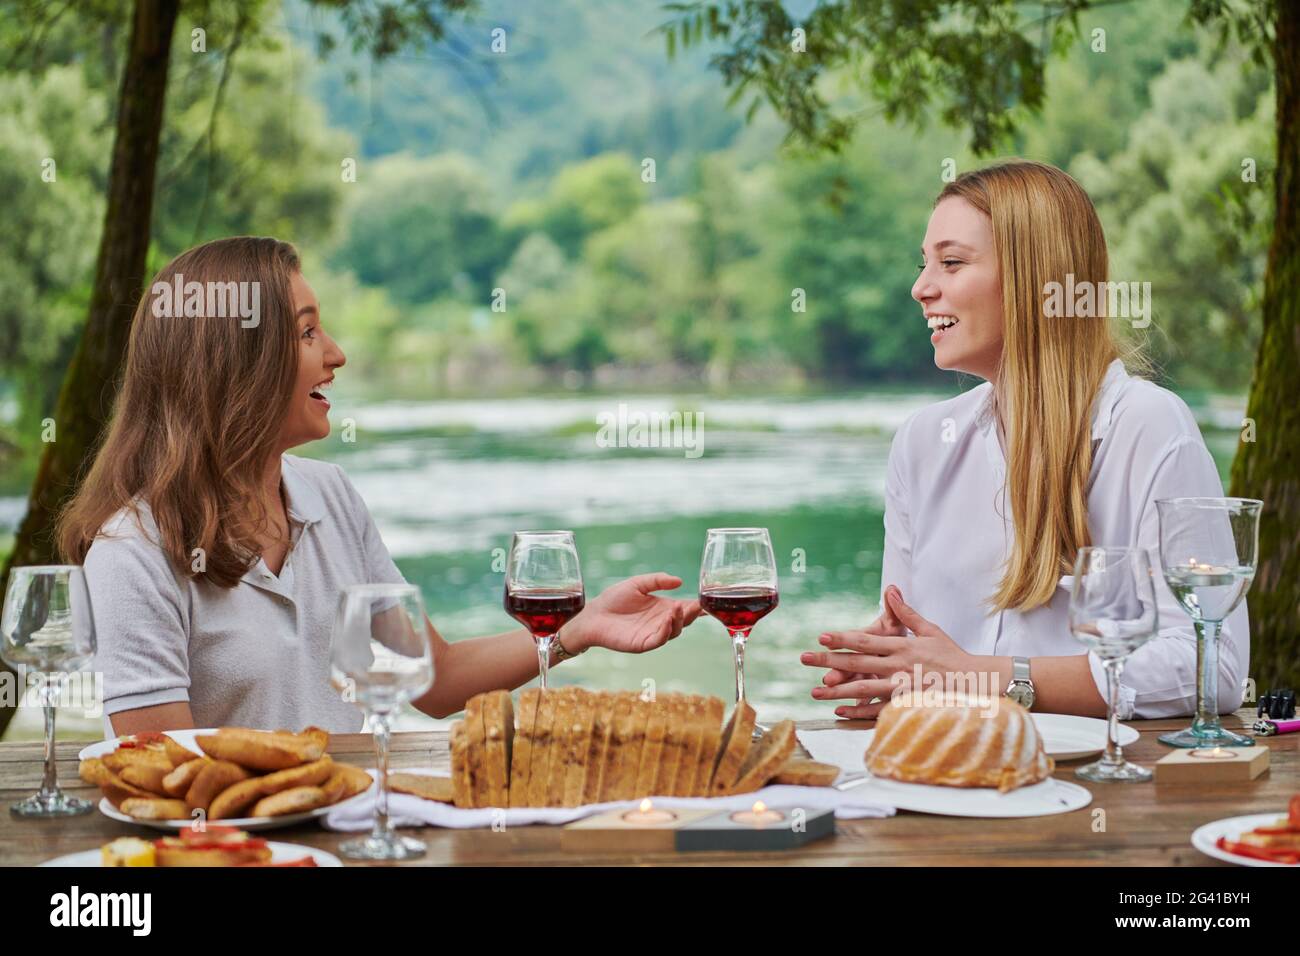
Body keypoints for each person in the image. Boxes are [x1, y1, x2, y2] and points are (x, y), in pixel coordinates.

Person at [59, 237, 700, 736]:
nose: (336, 354)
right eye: (307, 333)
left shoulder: (330, 495)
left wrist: (575, 631)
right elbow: (167, 781)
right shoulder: (132, 554)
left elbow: (436, 678)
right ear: (234, 364)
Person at [800, 160, 1247, 720]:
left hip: (1093, 787)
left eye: (952, 263)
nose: (921, 288)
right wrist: (891, 668)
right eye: (924, 264)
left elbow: (1215, 667)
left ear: (1034, 278)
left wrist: (986, 679)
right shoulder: (920, 444)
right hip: (944, 771)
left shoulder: (1150, 427)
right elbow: (924, 657)